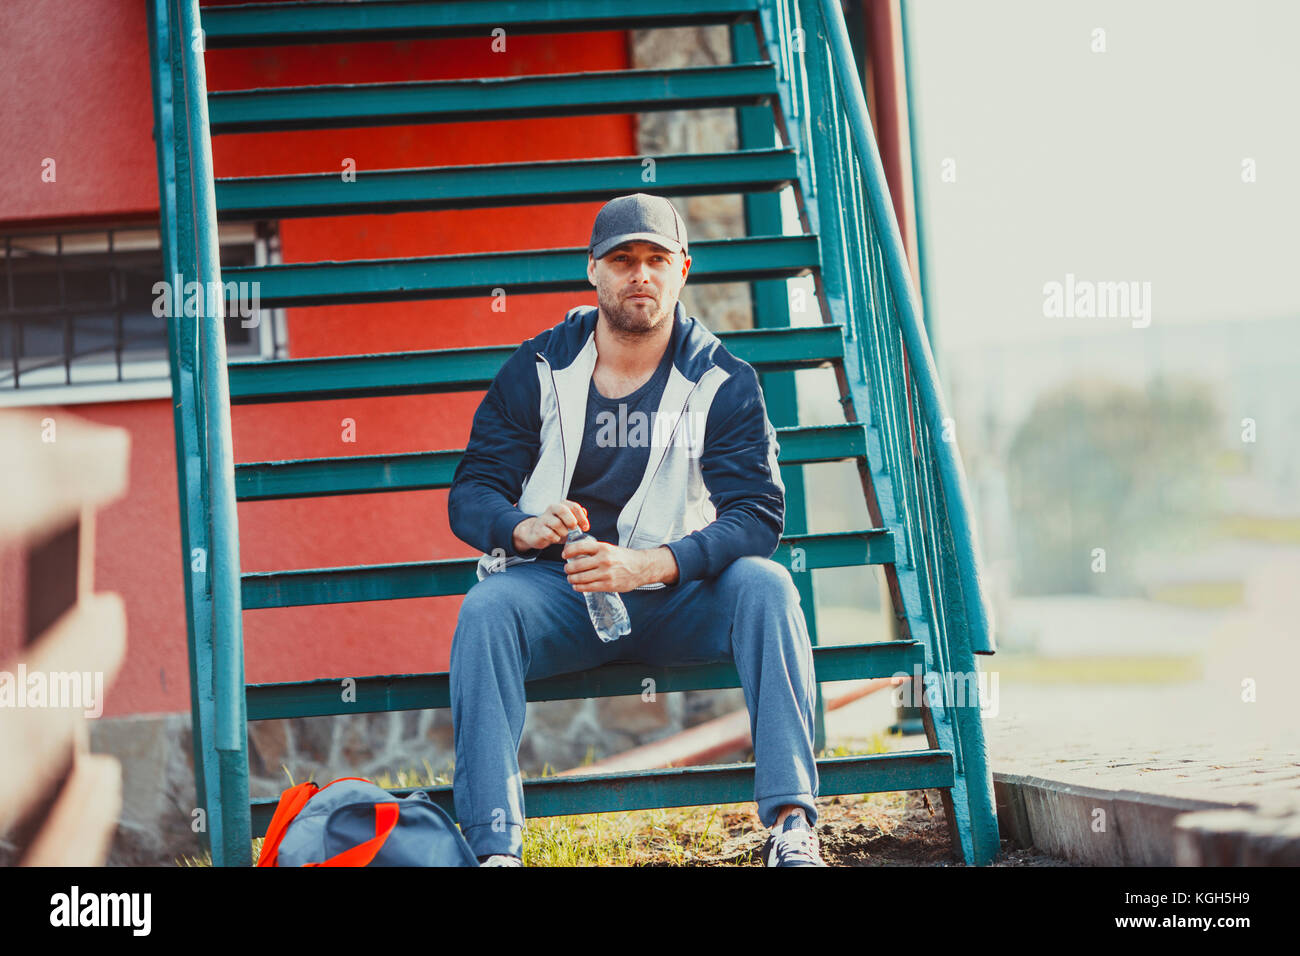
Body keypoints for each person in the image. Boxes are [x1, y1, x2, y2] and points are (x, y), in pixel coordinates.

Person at [446, 193, 825, 867]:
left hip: (677, 596)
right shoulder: (534, 369)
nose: (640, 275)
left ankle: (792, 826)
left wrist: (652, 567)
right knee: (486, 609)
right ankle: (495, 848)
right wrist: (523, 527)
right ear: (593, 270)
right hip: (561, 595)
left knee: (768, 588)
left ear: (684, 267)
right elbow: (471, 494)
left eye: (656, 259)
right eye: (623, 260)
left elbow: (758, 516)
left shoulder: (722, 380)